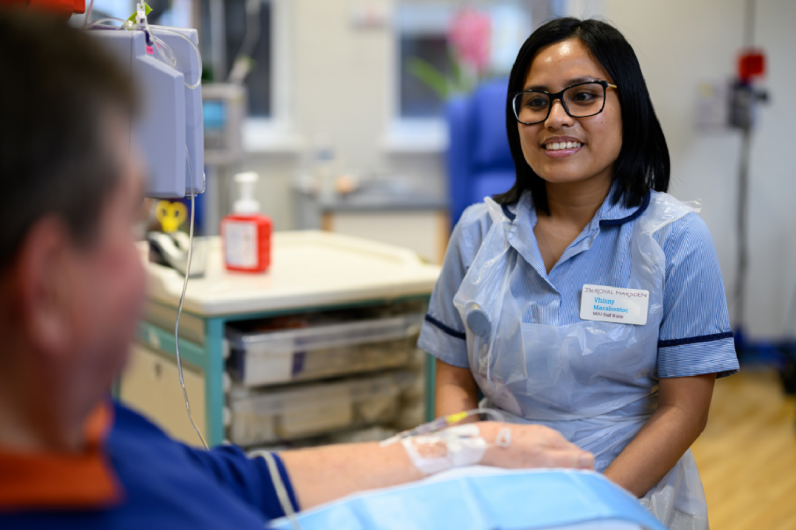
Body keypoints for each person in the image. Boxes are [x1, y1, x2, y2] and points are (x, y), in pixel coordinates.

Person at [0, 9, 595, 529]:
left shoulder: (87, 426)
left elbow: (236, 482)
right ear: (47, 284)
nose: (144, 269)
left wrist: (463, 447)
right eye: (134, 227)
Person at [419, 17, 740, 530]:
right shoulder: (479, 231)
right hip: (496, 487)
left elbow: (684, 412)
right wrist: (465, 469)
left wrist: (586, 506)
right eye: (536, 101)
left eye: (584, 96)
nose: (556, 118)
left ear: (626, 105)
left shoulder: (675, 240)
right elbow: (454, 377)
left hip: (627, 496)